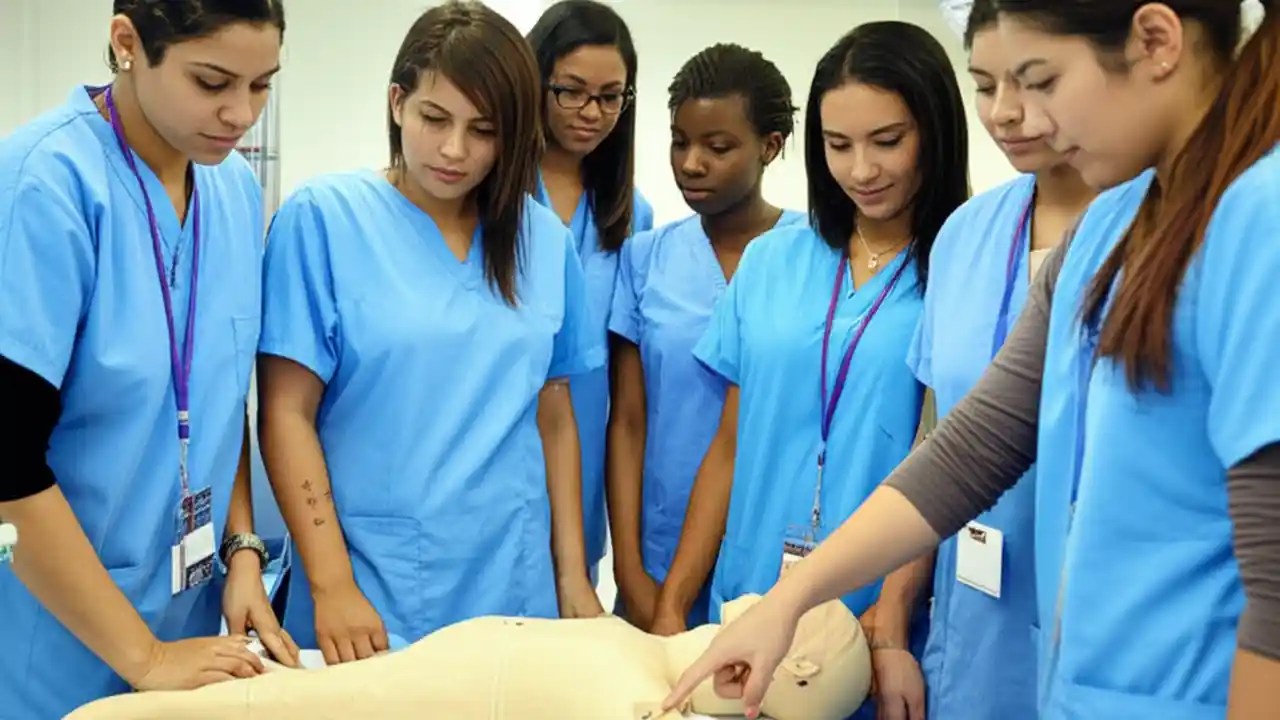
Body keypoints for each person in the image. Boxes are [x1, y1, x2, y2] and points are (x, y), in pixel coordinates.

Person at [664, 2, 1280, 719]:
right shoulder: (1110, 227)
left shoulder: (1258, 218)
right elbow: (971, 448)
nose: (1018, 117)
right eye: (990, 86)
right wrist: (790, 601)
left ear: (1155, 42)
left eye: (1040, 80)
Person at [257, 0, 604, 668]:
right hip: (370, 589)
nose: (454, 150)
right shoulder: (325, 219)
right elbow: (285, 412)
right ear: (397, 103)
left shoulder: (542, 240)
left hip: (516, 580)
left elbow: (555, 415)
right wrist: (331, 585)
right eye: (434, 118)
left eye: (483, 130)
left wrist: (572, 575)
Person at [650, 24, 969, 719]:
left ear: (936, 133)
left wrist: (890, 620)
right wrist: (675, 602)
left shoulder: (959, 271)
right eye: (838, 144)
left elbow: (947, 461)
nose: (862, 170)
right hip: (744, 601)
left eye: (887, 141)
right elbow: (729, 445)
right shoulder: (774, 258)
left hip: (867, 627)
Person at [0, 1, 297, 717]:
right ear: (127, 42)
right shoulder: (43, 185)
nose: (241, 114)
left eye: (261, 85)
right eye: (211, 82)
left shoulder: (230, 188)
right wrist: (148, 657)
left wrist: (243, 549)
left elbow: (220, 397)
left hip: (188, 624)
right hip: (52, 641)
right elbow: (5, 460)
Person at [873, 2, 1096, 718]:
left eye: (1034, 81)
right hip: (971, 619)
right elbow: (940, 436)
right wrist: (891, 620)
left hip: (1100, 626)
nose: (1004, 112)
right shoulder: (967, 233)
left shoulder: (1157, 230)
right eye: (984, 84)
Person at [606, 43, 804, 631]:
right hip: (661, 554)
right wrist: (629, 571)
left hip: (775, 549)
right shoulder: (645, 259)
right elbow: (628, 422)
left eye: (718, 148)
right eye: (679, 142)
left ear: (770, 146)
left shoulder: (814, 255)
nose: (691, 163)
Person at [527, 0, 655, 583]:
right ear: (535, 81)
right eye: (571, 91)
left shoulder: (630, 216)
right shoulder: (489, 199)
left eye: (610, 97)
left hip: (579, 465)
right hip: (491, 462)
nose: (591, 113)